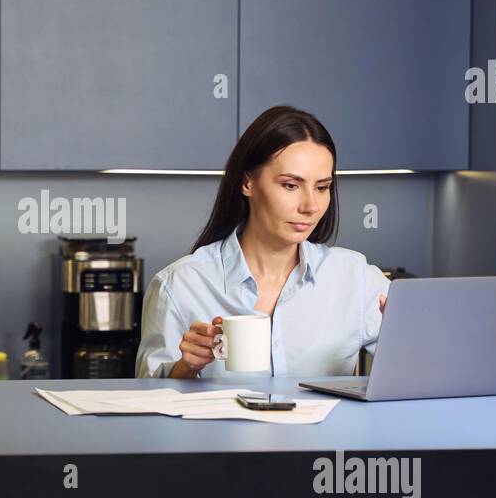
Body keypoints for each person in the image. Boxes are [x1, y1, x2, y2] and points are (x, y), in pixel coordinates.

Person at [135, 106, 390, 380]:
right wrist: (188, 366)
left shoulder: (356, 278)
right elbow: (151, 409)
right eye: (291, 185)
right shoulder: (180, 285)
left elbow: (426, 373)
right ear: (248, 183)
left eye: (322, 187)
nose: (310, 206)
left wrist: (409, 340)